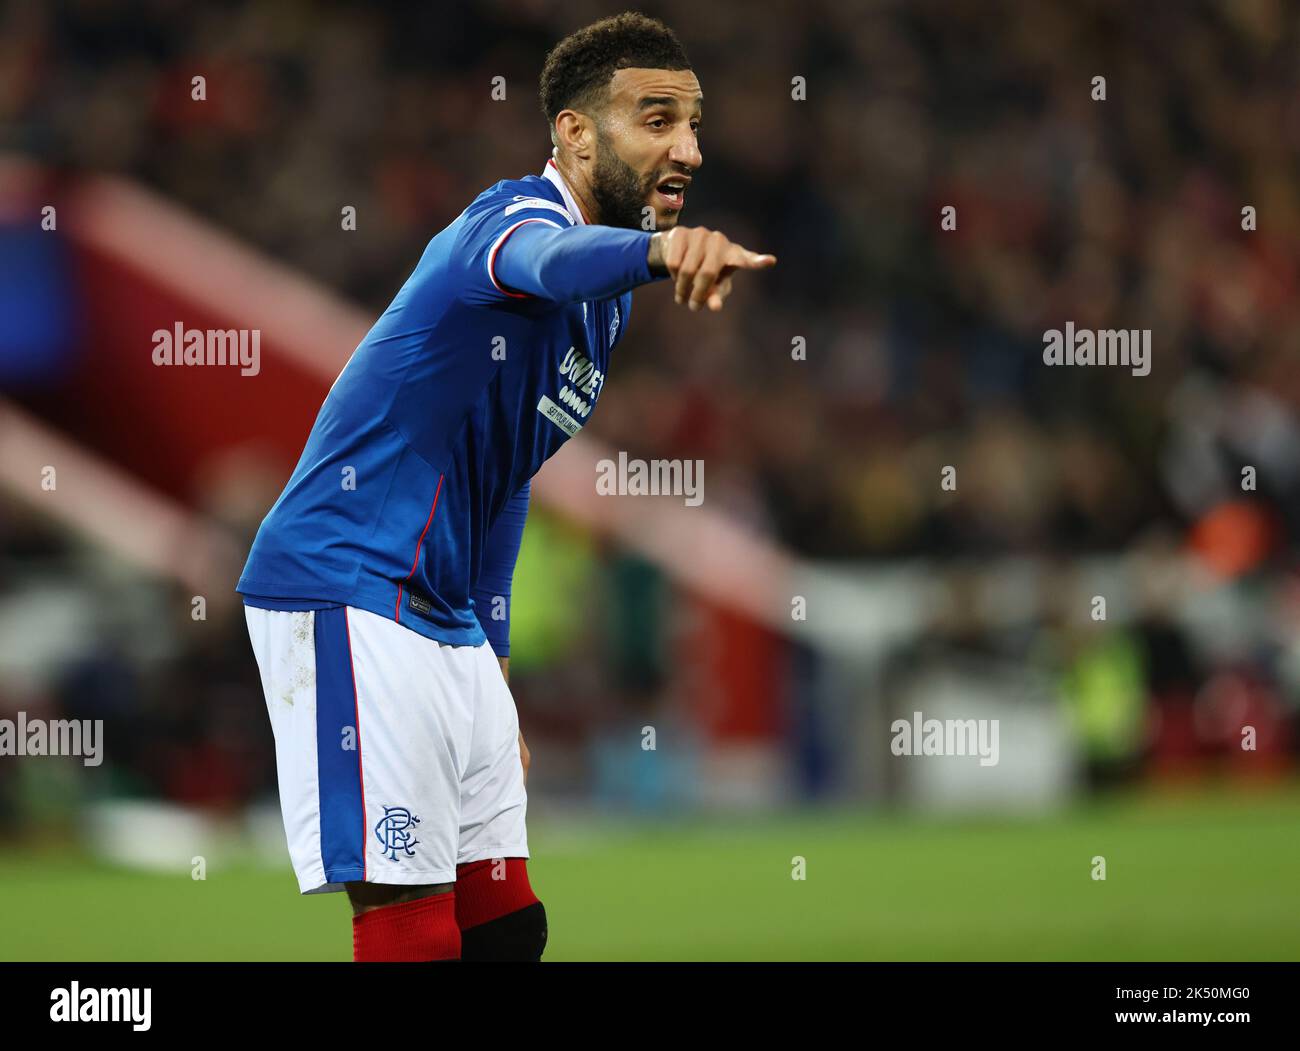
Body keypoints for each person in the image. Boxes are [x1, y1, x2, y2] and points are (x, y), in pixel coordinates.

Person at [238, 11, 775, 962]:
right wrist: (659, 254)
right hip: (350, 581)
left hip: (443, 618)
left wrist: (492, 663)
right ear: (574, 132)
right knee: (409, 920)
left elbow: (507, 478)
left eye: (694, 125)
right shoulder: (515, 223)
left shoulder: (600, 303)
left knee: (505, 922)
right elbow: (546, 260)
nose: (687, 148)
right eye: (657, 120)